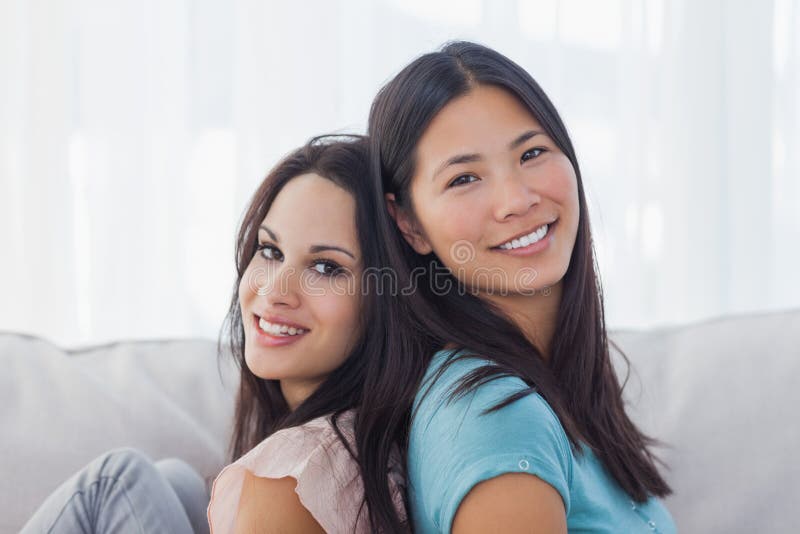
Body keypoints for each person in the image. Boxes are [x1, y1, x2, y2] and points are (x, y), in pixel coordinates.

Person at [20, 136, 409, 533]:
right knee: (177, 482)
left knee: (117, 481)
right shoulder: (357, 441)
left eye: (325, 267)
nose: (275, 290)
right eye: (270, 250)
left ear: (387, 299)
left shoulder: (294, 473)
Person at [367, 41, 677, 533]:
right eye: (464, 178)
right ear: (409, 223)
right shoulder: (495, 417)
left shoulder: (556, 387)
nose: (515, 200)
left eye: (532, 153)